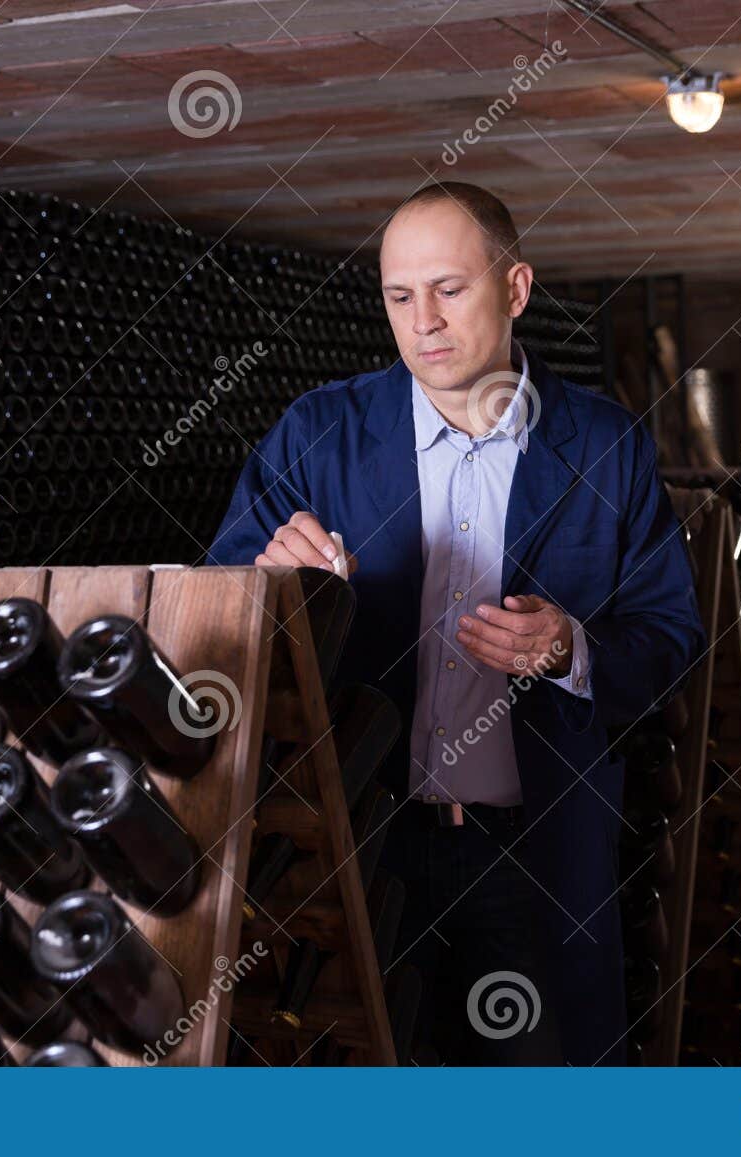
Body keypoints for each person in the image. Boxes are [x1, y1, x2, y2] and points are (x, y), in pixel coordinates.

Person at [206, 182, 705, 1065]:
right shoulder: (318, 432)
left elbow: (670, 642)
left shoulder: (605, 444)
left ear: (514, 289)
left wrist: (569, 649)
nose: (423, 320)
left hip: (536, 855)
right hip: (360, 846)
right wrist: (267, 583)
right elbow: (211, 617)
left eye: (449, 289)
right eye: (400, 296)